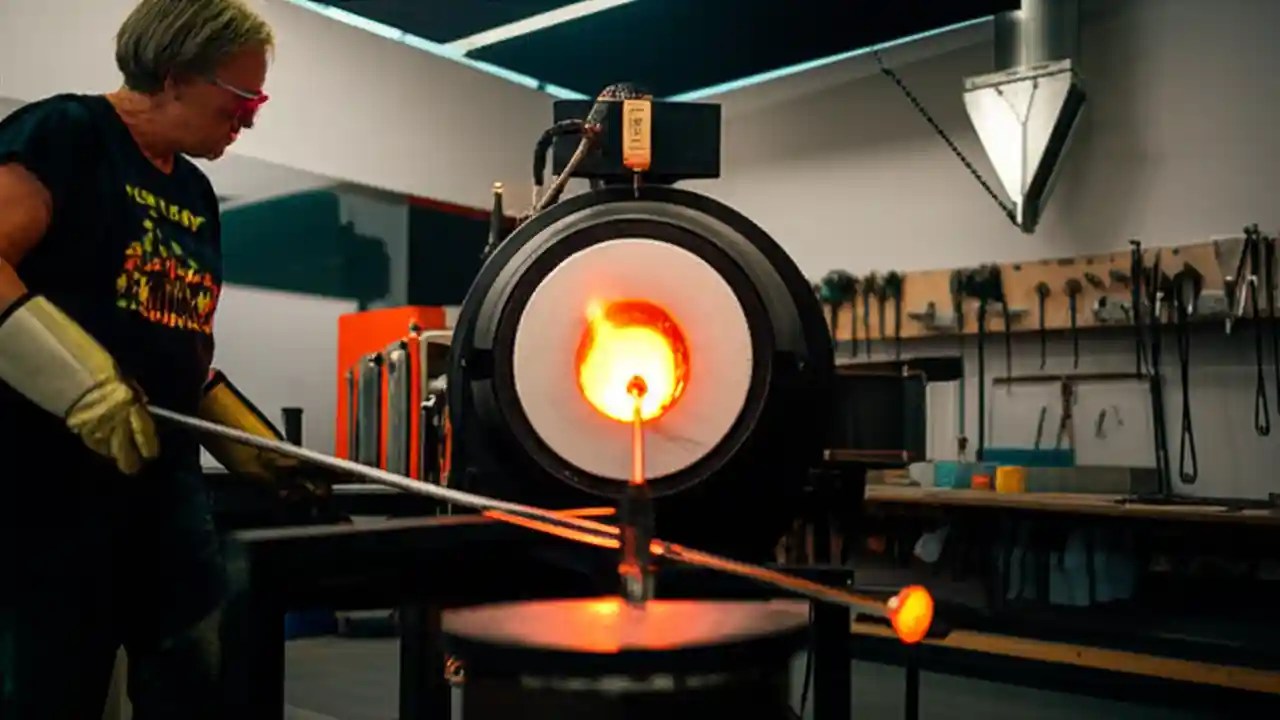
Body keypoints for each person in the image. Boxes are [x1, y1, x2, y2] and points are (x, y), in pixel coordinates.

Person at [0, 1, 284, 717]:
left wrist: (236, 430)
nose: (250, 118)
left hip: (165, 492)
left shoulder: (192, 190)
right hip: (46, 492)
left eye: (259, 100)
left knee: (195, 686)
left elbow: (177, 335)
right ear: (173, 75)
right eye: (241, 98)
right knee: (50, 691)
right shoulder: (65, 135)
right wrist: (79, 386)